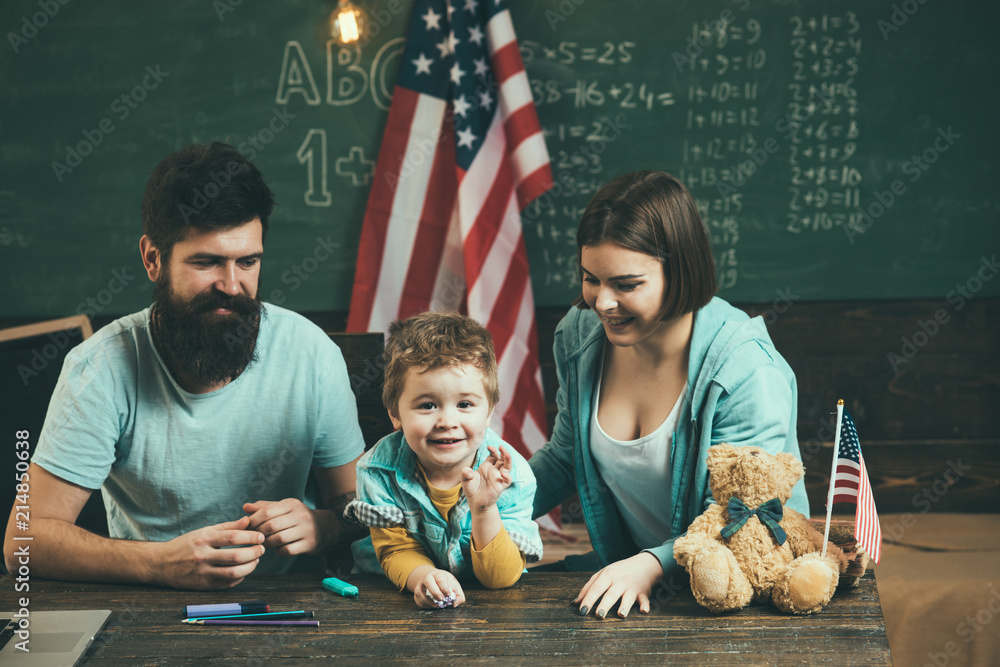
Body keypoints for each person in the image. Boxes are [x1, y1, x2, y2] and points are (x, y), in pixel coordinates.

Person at [2, 142, 365, 590]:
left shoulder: (312, 354)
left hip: (294, 607)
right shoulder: (98, 367)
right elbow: (23, 540)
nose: (232, 286)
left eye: (247, 262)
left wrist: (324, 524)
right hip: (149, 608)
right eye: (207, 262)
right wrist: (159, 564)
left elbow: (359, 508)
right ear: (153, 259)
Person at [528, 170, 810, 619]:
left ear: (680, 271)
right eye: (591, 279)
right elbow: (565, 457)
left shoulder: (747, 371)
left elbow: (743, 515)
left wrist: (651, 564)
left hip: (741, 590)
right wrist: (486, 506)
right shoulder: (580, 336)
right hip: (628, 574)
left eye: (626, 284)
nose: (601, 303)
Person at [346, 311, 542, 609]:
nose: (447, 421)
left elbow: (500, 579)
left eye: (465, 404)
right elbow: (395, 550)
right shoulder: (377, 471)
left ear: (489, 411)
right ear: (395, 414)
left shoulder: (512, 477)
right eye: (427, 405)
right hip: (388, 598)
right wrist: (425, 576)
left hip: (494, 610)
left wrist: (485, 508)